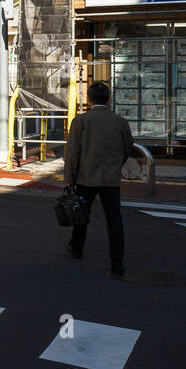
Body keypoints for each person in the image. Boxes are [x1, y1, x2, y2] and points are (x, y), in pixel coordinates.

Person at [64, 81, 132, 277]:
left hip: (86, 176)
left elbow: (73, 153)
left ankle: (77, 249)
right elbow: (127, 147)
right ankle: (117, 262)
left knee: (82, 215)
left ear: (89, 99)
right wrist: (116, 164)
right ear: (108, 98)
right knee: (114, 220)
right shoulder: (120, 121)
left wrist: (70, 177)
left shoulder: (81, 121)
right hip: (111, 178)